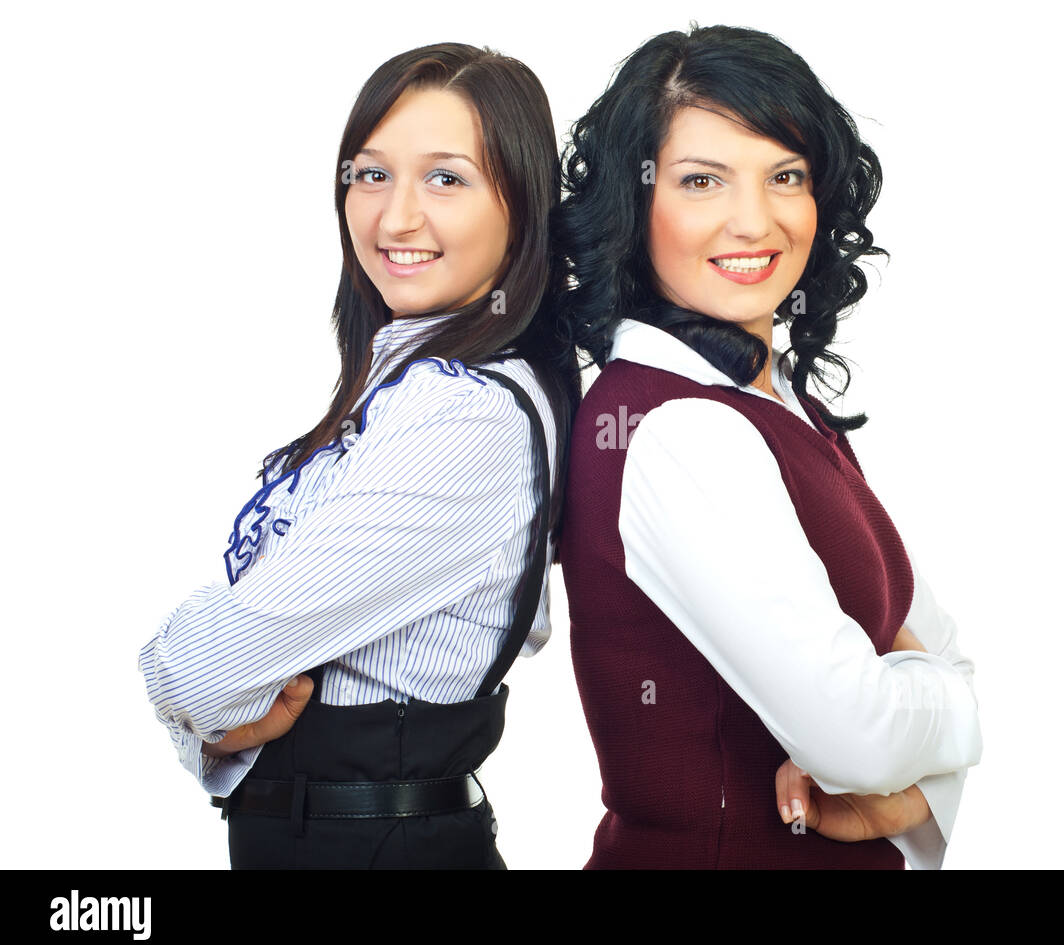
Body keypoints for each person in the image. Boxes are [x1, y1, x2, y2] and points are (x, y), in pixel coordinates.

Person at [138, 43, 580, 868]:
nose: (395, 218)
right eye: (371, 175)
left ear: (521, 204)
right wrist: (210, 714)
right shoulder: (411, 383)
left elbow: (208, 666)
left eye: (446, 178)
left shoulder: (465, 417)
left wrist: (180, 680)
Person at [555, 24, 983, 869]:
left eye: (785, 176)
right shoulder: (677, 429)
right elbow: (860, 733)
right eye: (702, 181)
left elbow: (927, 658)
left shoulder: (774, 400)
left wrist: (902, 782)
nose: (754, 220)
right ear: (633, 206)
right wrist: (960, 709)